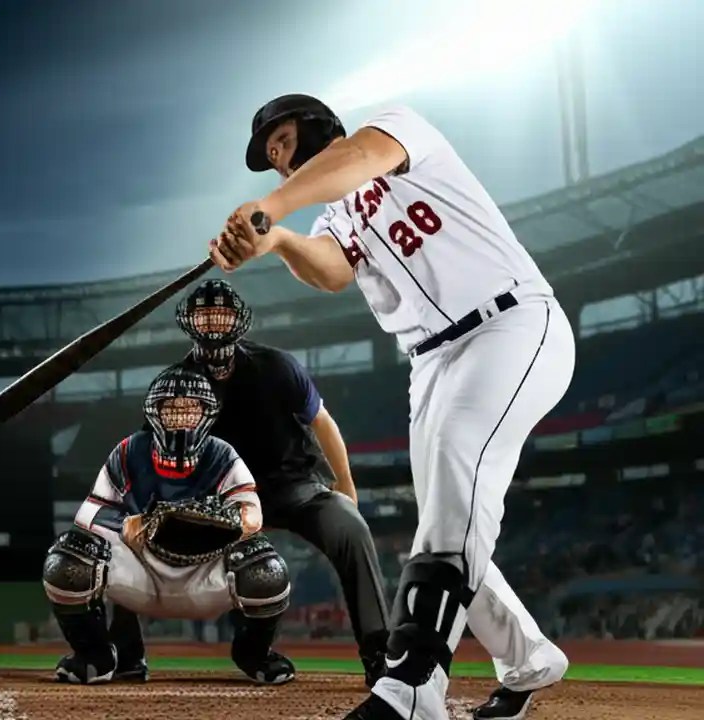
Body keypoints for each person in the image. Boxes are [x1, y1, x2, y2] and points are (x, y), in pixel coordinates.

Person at [210, 94, 573, 720]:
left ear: (318, 125)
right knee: (447, 519)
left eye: (282, 140)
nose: (277, 158)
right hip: (430, 363)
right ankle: (528, 657)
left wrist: (268, 210)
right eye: (270, 156)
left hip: (509, 323)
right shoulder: (336, 216)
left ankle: (413, 683)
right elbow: (330, 272)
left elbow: (358, 158)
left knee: (459, 465)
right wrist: (279, 242)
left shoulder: (393, 127)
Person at [108, 279, 391, 688]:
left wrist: (346, 488)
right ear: (189, 322)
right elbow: (151, 453)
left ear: (238, 319)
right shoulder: (176, 383)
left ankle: (379, 654)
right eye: (205, 315)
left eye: (221, 314)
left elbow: (323, 424)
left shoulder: (277, 366)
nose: (213, 323)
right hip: (218, 501)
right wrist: (141, 513)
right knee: (126, 537)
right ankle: (130, 656)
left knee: (350, 528)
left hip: (294, 487)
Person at [43, 365, 296, 686]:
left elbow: (252, 516)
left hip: (205, 574)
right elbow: (88, 514)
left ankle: (254, 653)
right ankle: (95, 656)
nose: (180, 415)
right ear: (154, 412)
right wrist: (127, 524)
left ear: (207, 412)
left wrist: (218, 521)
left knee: (265, 566)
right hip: (141, 570)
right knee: (69, 556)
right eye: (171, 408)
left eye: (190, 407)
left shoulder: (222, 454)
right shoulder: (128, 450)